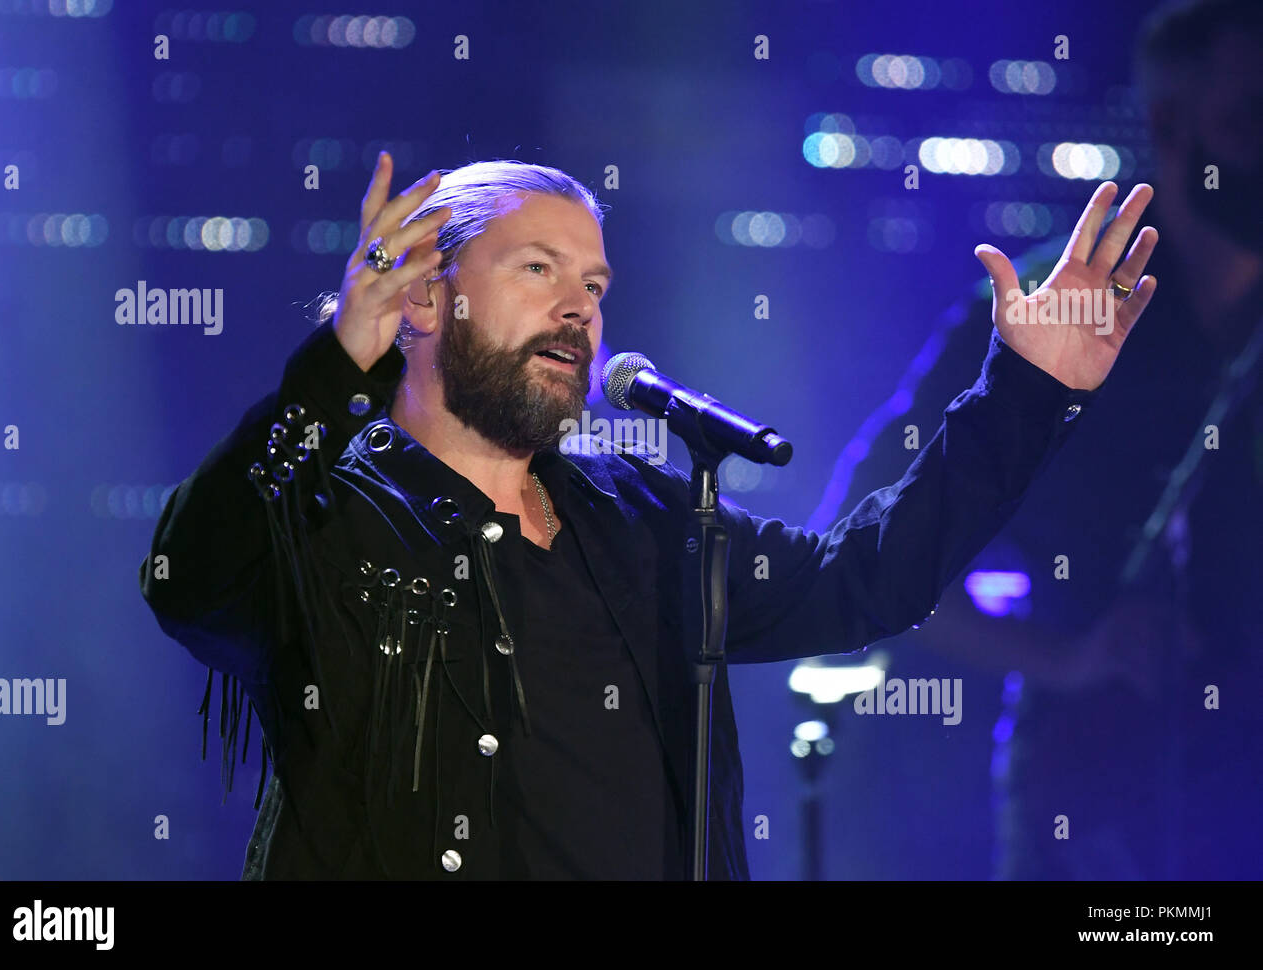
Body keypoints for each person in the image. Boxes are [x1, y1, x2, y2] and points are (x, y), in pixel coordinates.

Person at [139, 151, 1159, 879]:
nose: (579, 308)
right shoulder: (329, 516)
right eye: (536, 269)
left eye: (594, 284)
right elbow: (191, 576)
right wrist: (333, 362)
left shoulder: (645, 521)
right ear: (418, 299)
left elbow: (867, 581)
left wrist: (1026, 391)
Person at [831, 0, 1262, 880]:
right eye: (1249, 118)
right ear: (1170, 127)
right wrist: (1066, 660)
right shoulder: (1040, 310)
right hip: (1099, 801)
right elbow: (864, 545)